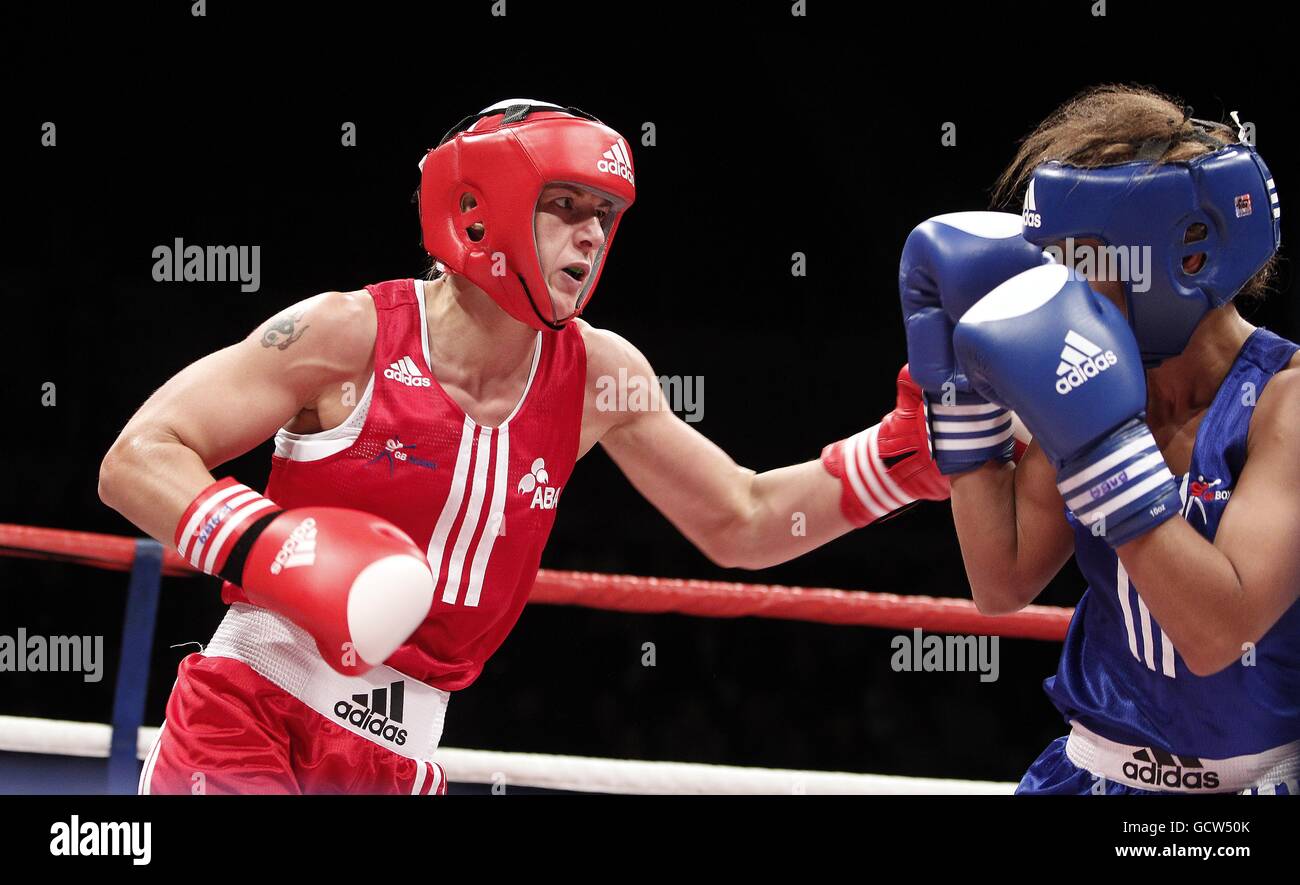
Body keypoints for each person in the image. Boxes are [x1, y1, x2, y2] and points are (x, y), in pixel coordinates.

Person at [99, 99, 948, 795]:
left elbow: (745, 519)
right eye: (565, 205)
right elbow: (138, 455)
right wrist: (270, 544)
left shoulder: (597, 376)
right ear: (483, 206)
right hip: (252, 707)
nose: (591, 235)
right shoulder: (347, 333)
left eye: (605, 215)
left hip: (398, 758)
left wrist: (899, 460)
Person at [903, 85, 1299, 795]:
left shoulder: (1286, 404)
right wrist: (960, 404)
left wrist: (1103, 451)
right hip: (1087, 774)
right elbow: (1001, 580)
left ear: (1182, 256)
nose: (1059, 287)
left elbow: (1217, 634)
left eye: (1078, 260)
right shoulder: (1091, 368)